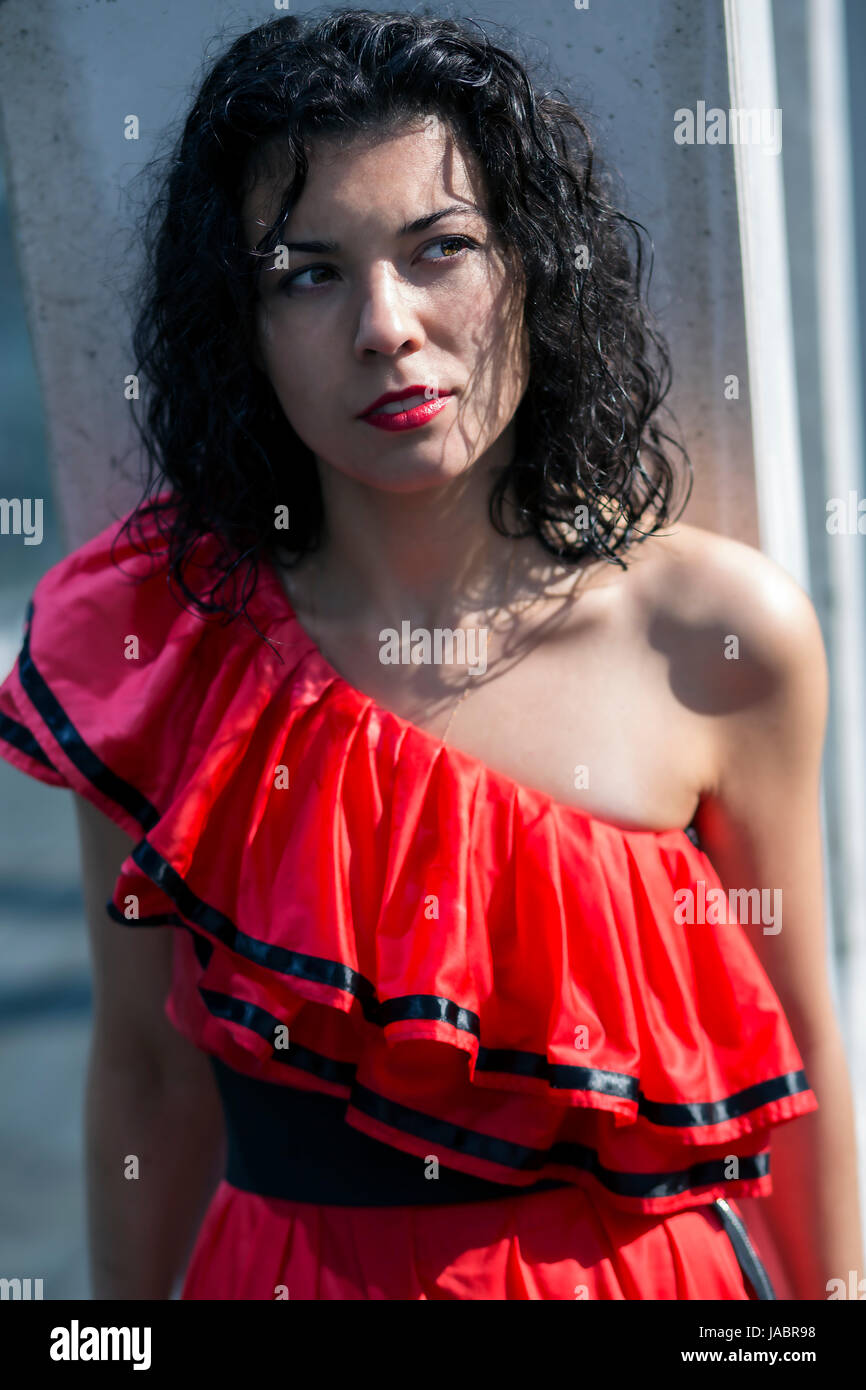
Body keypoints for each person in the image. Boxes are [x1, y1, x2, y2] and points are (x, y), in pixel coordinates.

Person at [0, 9, 862, 1301]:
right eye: (308, 274)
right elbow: (147, 1067)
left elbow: (797, 1060)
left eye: (440, 248)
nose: (385, 326)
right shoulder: (164, 642)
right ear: (240, 324)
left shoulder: (720, 640)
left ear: (528, 266)